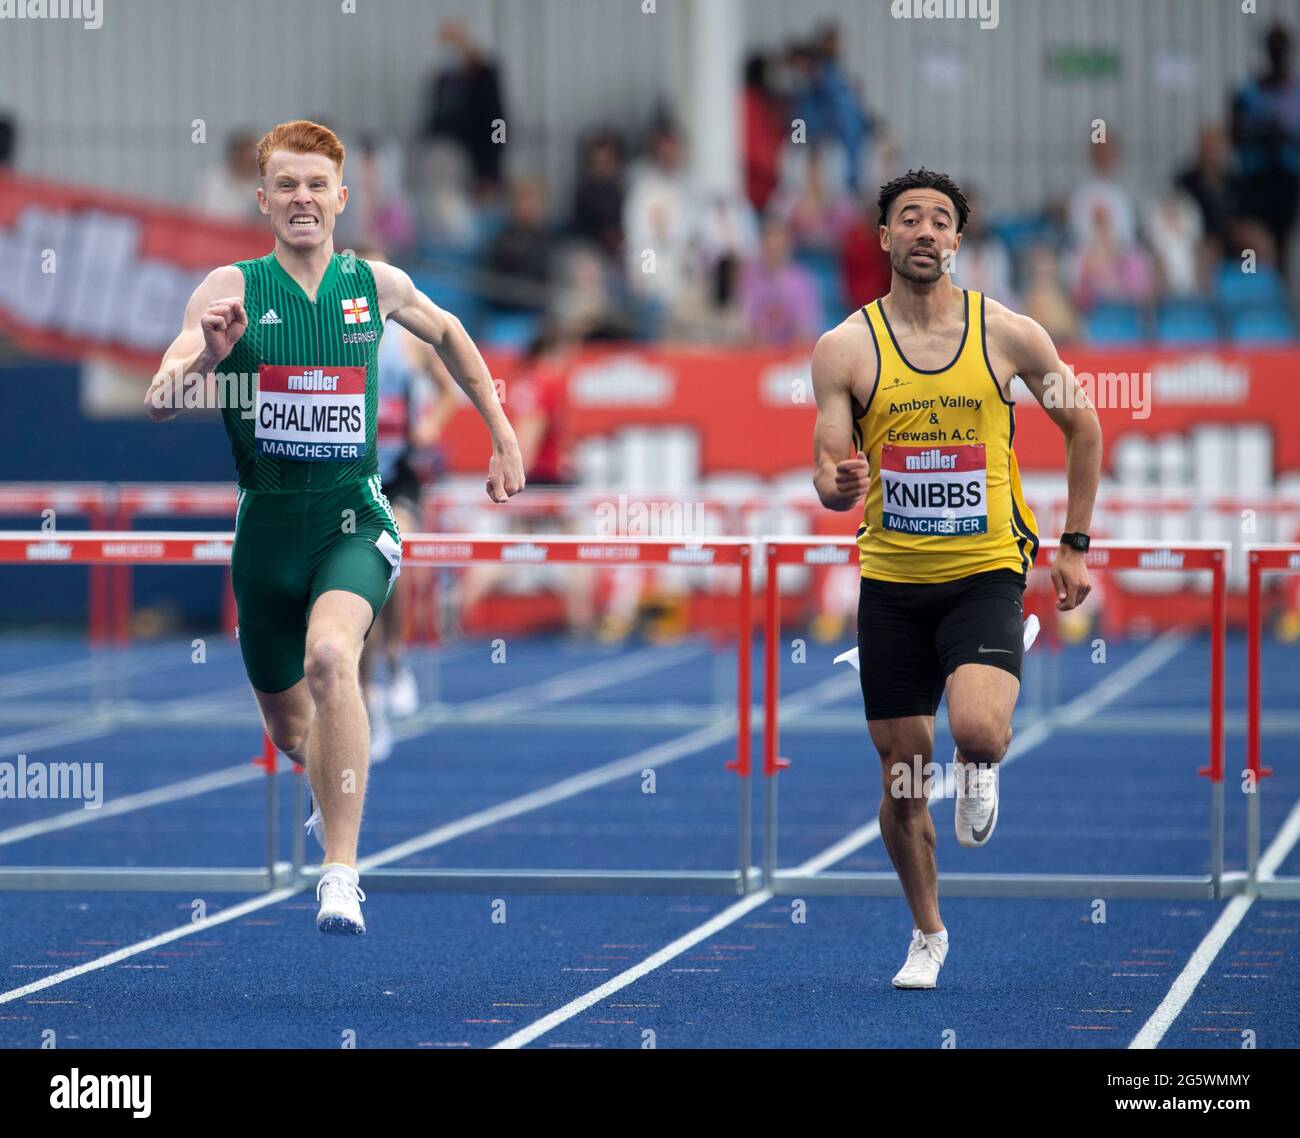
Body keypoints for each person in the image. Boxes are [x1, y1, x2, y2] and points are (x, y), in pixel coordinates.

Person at [145, 120, 524, 935]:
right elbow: (161, 397)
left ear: (342, 198)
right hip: (268, 536)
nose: (303, 199)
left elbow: (451, 334)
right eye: (286, 185)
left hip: (356, 516)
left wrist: (500, 429)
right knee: (291, 730)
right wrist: (209, 358)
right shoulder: (231, 289)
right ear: (263, 200)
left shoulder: (375, 284)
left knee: (330, 657)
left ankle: (341, 872)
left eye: (317, 185)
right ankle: (328, 797)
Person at [811, 169, 1101, 988]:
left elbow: (1084, 427)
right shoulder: (844, 348)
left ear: (958, 241)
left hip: (983, 574)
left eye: (941, 220)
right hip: (892, 588)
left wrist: (1073, 545)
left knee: (979, 733)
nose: (927, 231)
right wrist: (835, 485)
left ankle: (983, 755)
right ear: (885, 239)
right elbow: (827, 462)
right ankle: (928, 933)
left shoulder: (1007, 335)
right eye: (911, 219)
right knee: (904, 782)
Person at [352, 246, 460, 761]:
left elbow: (449, 391)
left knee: (397, 555)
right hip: (353, 470)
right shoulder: (338, 329)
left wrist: (429, 425)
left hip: (399, 471)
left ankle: (397, 658)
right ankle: (369, 699)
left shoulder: (409, 339)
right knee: (365, 587)